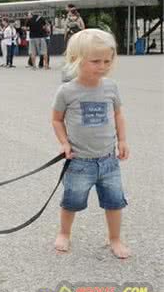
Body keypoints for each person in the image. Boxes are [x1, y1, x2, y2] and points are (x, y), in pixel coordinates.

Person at [51, 28, 130, 259]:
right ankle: (64, 233)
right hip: (79, 162)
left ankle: (114, 238)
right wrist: (64, 142)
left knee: (115, 202)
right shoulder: (67, 91)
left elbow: (118, 115)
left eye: (108, 60)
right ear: (76, 60)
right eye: (96, 61)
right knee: (71, 202)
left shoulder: (111, 87)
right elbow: (56, 120)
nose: (103, 66)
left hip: (109, 161)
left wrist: (123, 139)